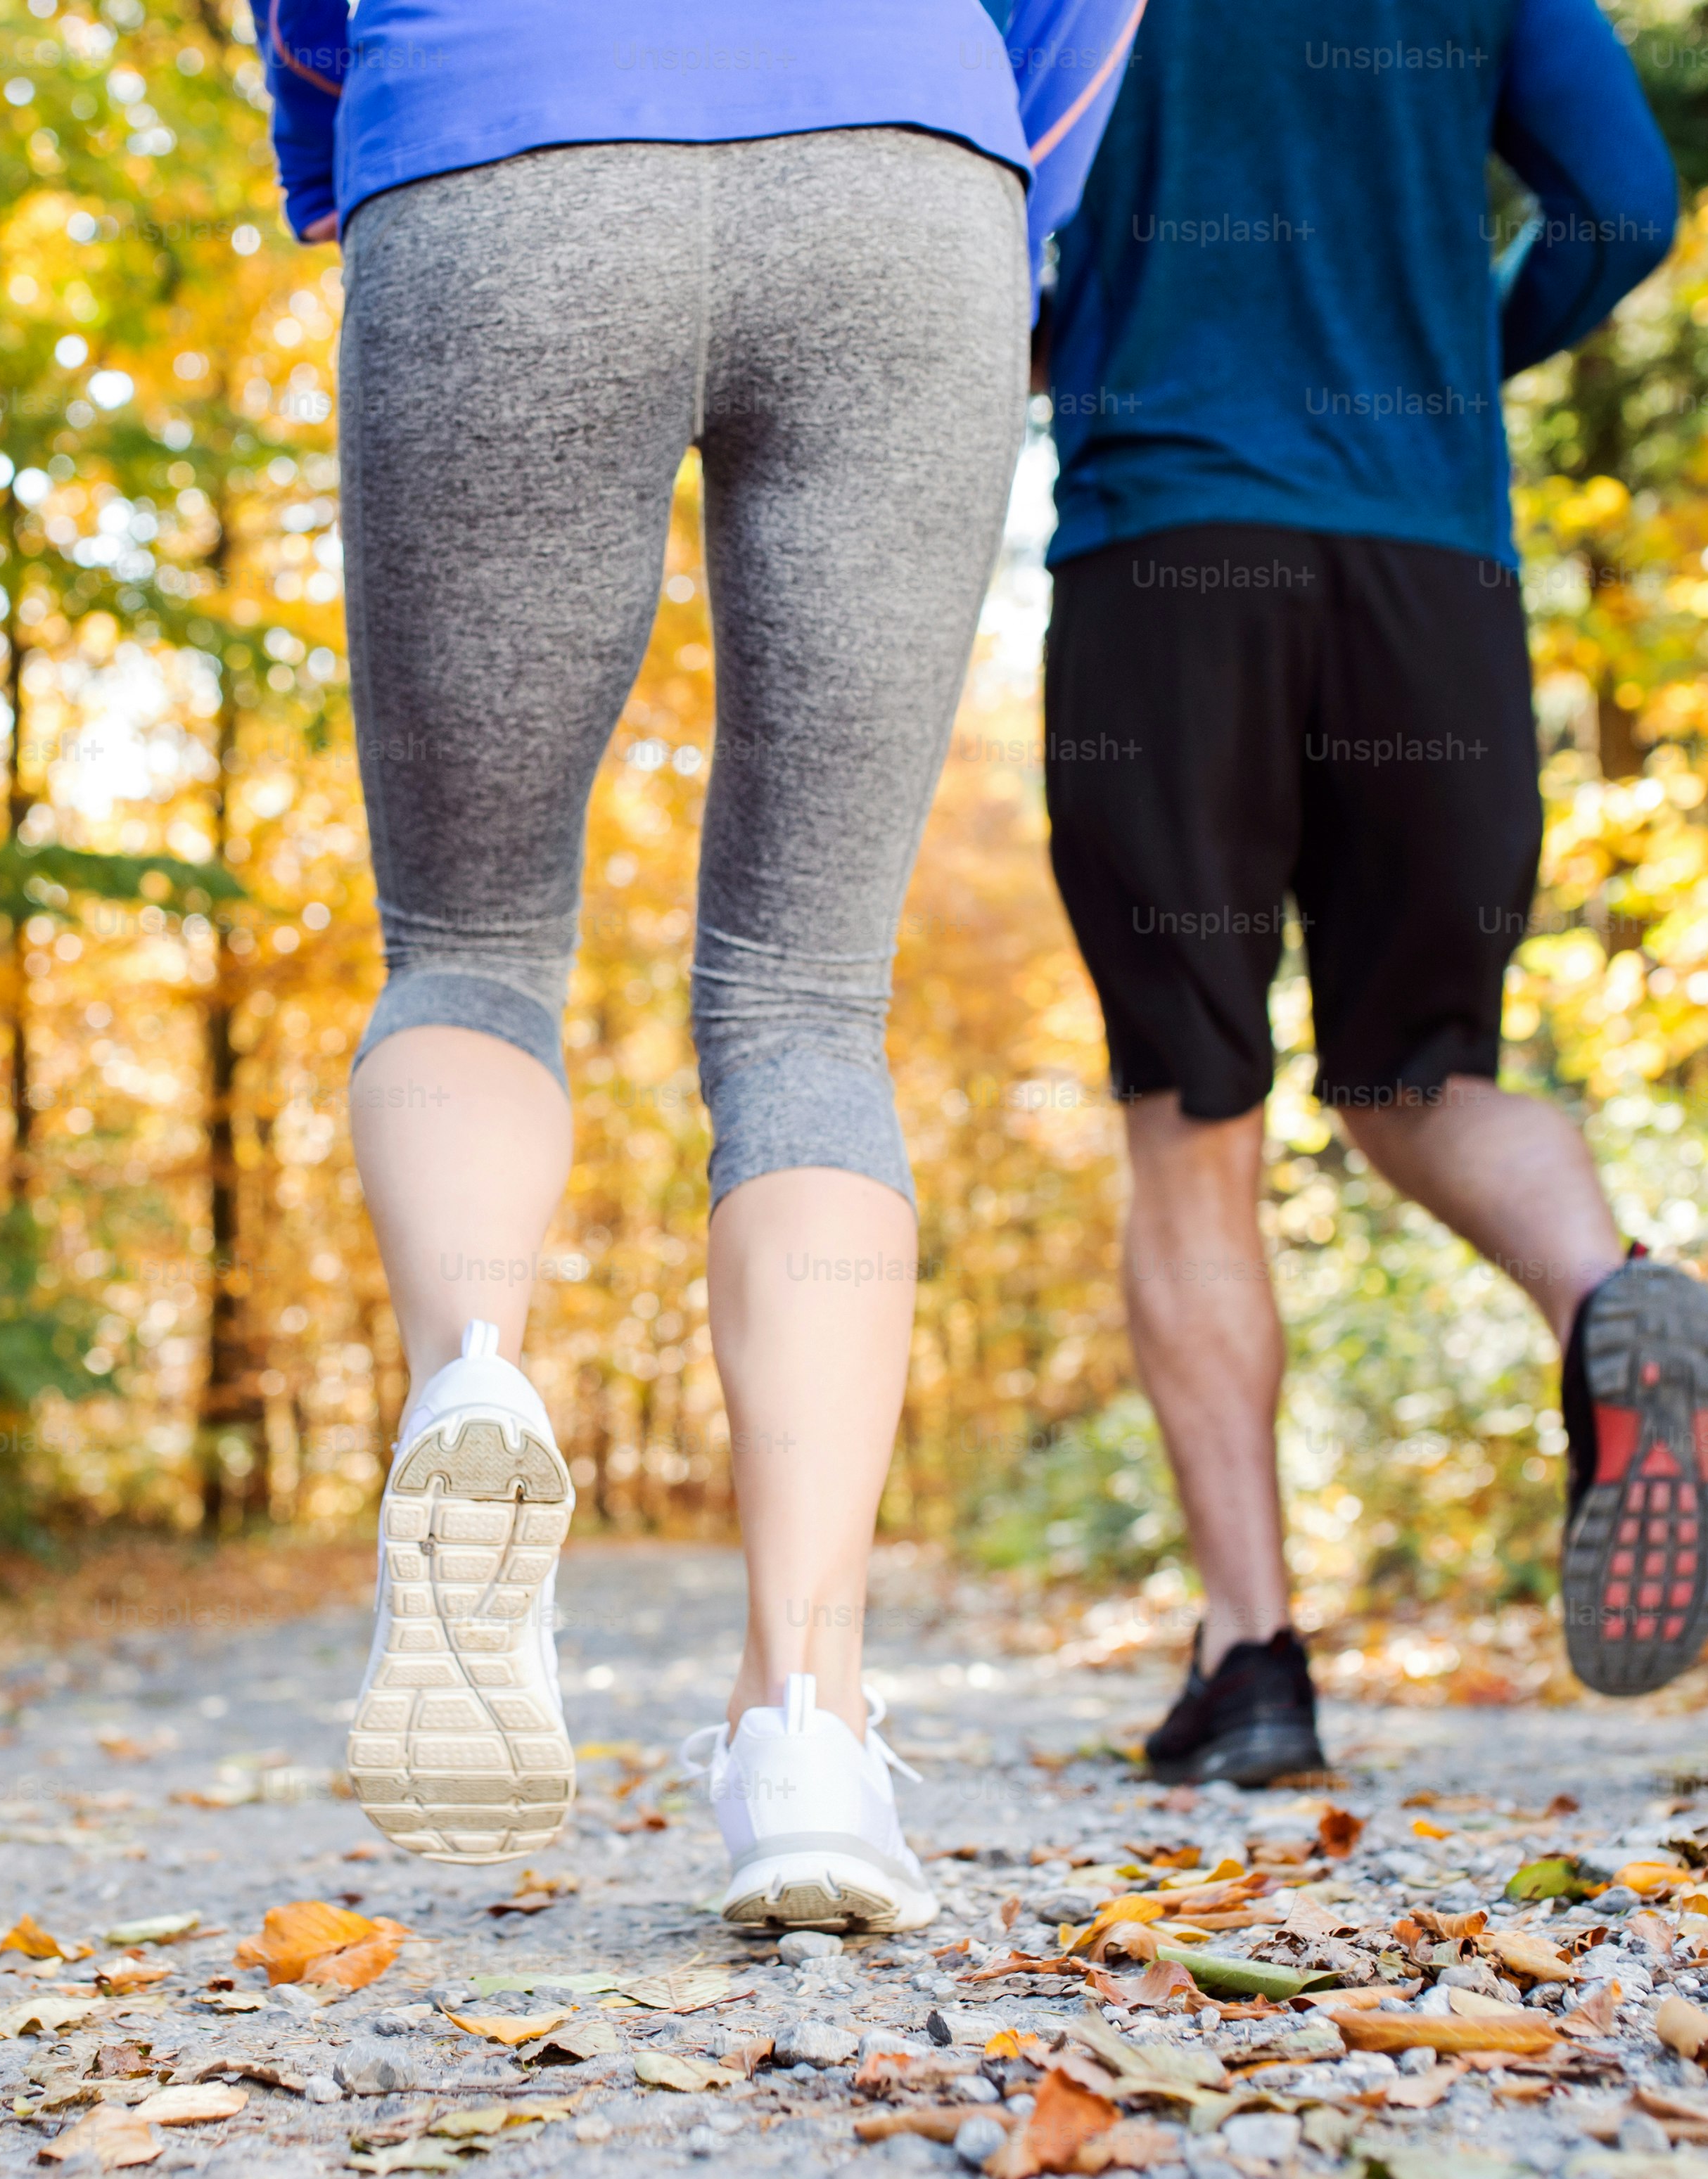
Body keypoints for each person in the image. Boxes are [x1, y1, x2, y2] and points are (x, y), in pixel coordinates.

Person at [258, 0, 1146, 1927]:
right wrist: (1004, 161)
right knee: (809, 997)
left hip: (505, 141)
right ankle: (809, 1730)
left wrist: (342, 140)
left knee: (473, 935)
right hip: (911, 175)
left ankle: (472, 1383)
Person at [1033, 0, 1707, 1784]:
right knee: (1421, 1073)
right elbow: (1621, 205)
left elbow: (967, 201)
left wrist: (1060, 331)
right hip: (1430, 567)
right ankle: (1599, 1307)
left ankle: (1252, 1658)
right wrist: (1459, 354)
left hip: (1167, 549)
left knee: (1195, 1119)